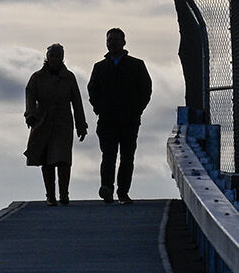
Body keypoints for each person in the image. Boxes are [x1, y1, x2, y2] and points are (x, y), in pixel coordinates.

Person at [87, 28, 152, 205]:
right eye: (109, 40)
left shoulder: (136, 65)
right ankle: (107, 188)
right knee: (108, 155)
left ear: (124, 42)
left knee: (127, 157)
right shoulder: (99, 67)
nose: (112, 43)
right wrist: (98, 108)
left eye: (116, 40)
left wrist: (136, 110)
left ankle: (123, 192)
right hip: (107, 120)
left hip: (129, 120)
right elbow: (92, 89)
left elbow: (146, 90)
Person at [24, 44, 88, 205]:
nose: (54, 58)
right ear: (47, 57)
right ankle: (50, 195)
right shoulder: (37, 77)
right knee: (46, 160)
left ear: (62, 58)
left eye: (58, 56)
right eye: (52, 55)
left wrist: (81, 124)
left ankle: (64, 194)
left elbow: (77, 102)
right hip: (42, 122)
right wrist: (31, 115)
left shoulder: (69, 77)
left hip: (63, 122)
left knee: (63, 159)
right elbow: (30, 96)